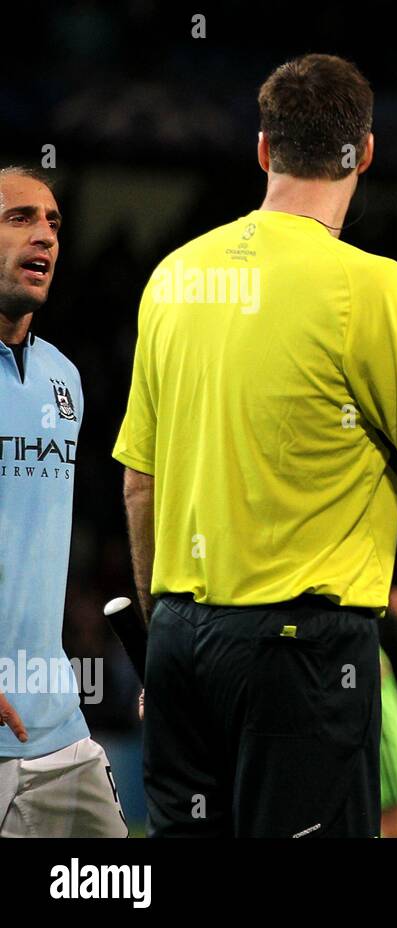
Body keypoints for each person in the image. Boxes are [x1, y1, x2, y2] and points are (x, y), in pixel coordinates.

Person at [114, 54, 397, 837]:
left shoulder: (173, 278)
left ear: (262, 150)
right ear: (366, 153)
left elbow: (138, 487)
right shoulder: (370, 287)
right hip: (301, 657)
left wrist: (160, 638)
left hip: (180, 641)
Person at [0, 166, 128, 837]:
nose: (43, 234)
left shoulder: (63, 379)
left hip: (58, 728)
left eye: (52, 221)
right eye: (19, 218)